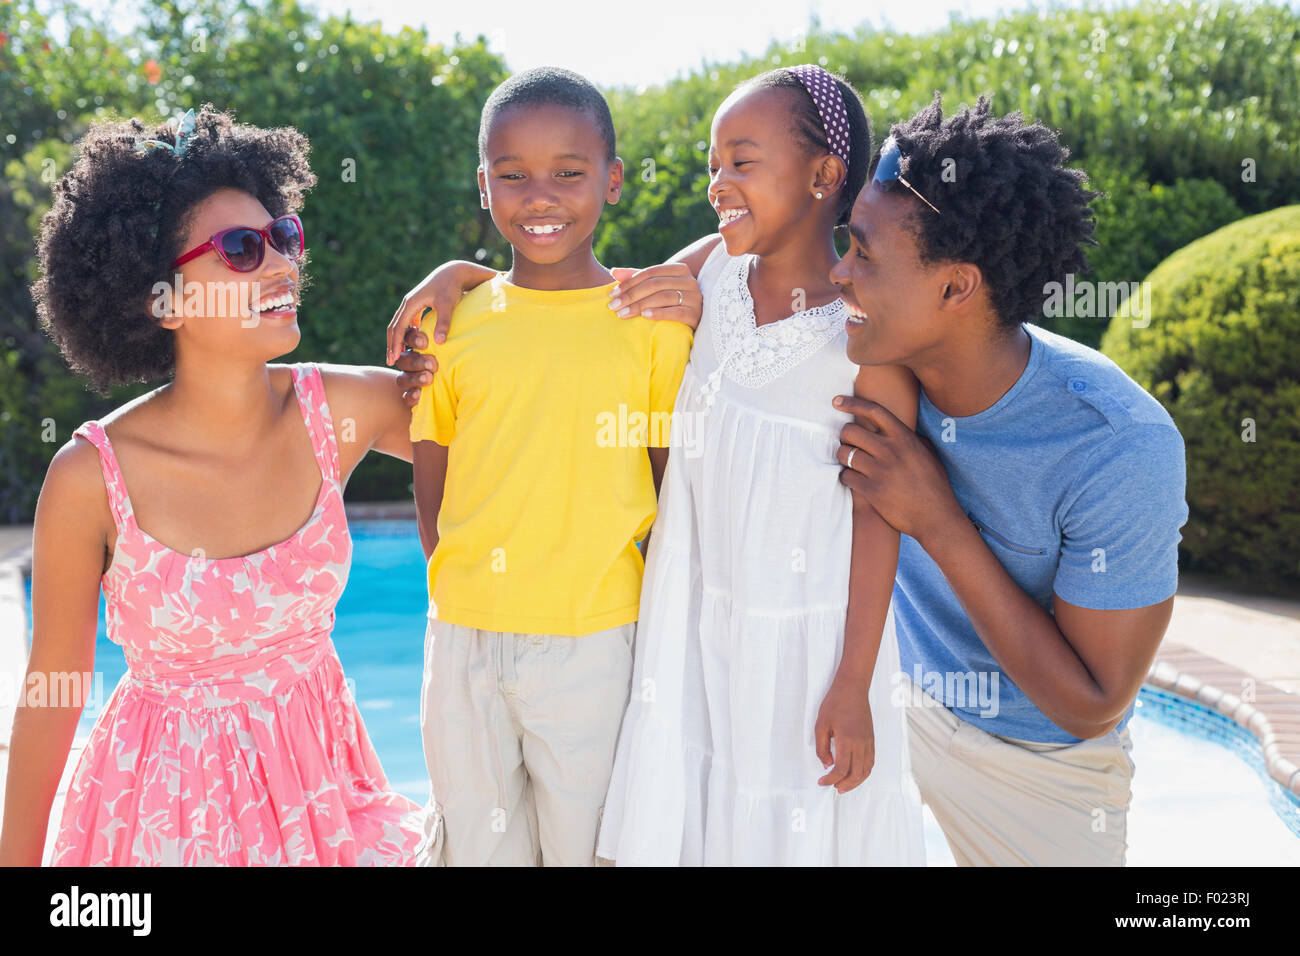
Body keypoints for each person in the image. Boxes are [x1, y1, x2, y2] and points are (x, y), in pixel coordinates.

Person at [393, 65, 928, 867]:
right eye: (714, 164)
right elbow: (575, 292)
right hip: (687, 617)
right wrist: (458, 276)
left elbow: (877, 513)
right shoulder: (710, 276)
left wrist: (854, 682)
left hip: (800, 637)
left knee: (789, 819)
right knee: (687, 820)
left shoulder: (862, 336)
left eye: (741, 162)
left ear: (823, 175)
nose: (718, 183)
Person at [0, 105, 425, 866]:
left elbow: (504, 419)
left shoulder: (344, 411)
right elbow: (52, 697)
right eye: (238, 249)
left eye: (282, 237)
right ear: (161, 297)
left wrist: (469, 288)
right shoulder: (91, 477)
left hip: (326, 812)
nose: (279, 264)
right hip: (156, 824)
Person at [830, 94, 1189, 866]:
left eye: (863, 253)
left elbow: (1093, 703)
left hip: (1038, 765)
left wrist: (938, 519)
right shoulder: (866, 350)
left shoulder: (1117, 446)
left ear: (957, 288)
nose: (837, 273)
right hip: (892, 703)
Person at [407, 67, 695, 866]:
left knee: (592, 847)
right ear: (483, 185)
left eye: (569, 173)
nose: (542, 196)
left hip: (597, 642)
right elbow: (433, 481)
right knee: (477, 847)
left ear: (612, 180)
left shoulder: (652, 326)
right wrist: (470, 594)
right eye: (514, 175)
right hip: (464, 637)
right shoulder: (453, 323)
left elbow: (674, 486)